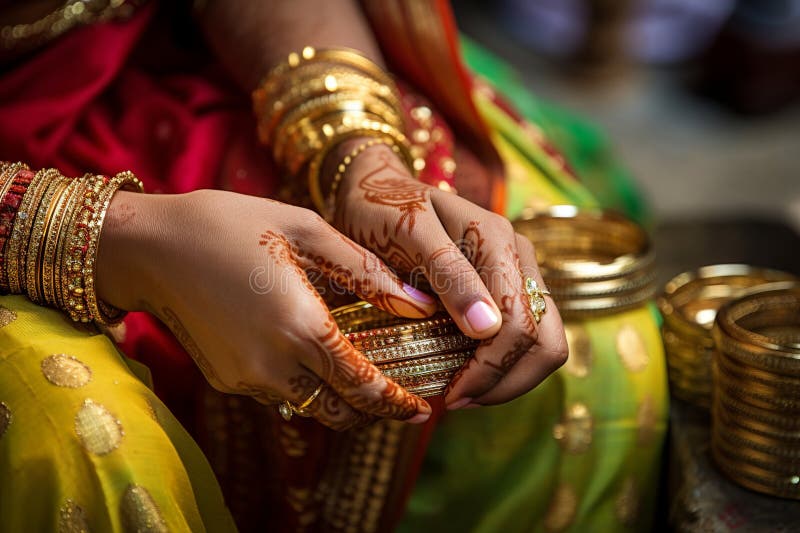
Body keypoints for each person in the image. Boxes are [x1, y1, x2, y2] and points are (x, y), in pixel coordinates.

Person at [0, 1, 666, 531]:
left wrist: (359, 154)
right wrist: (106, 238)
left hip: (179, 59)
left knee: (586, 334)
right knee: (89, 446)